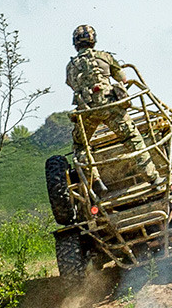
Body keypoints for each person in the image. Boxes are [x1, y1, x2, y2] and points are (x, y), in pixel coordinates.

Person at [66, 25, 165, 190]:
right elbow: (123, 79)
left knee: (80, 146)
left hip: (87, 112)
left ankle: (95, 182)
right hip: (112, 107)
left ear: (75, 44)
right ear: (93, 41)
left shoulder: (70, 66)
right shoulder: (105, 57)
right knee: (132, 139)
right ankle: (153, 179)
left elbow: (72, 84)